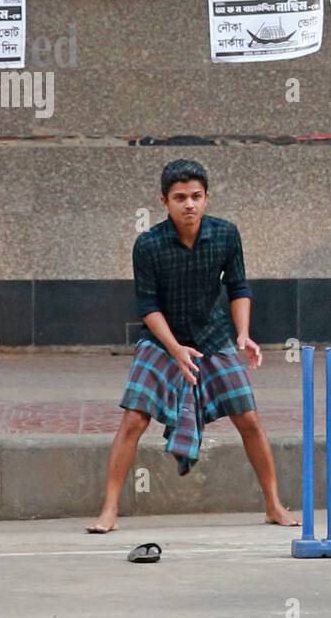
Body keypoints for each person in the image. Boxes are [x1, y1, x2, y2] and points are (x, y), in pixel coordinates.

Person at [87, 159, 297, 533]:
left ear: (207, 198)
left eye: (196, 197)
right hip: (161, 339)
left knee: (247, 416)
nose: (189, 205)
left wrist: (243, 334)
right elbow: (147, 306)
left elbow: (238, 288)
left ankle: (274, 505)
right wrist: (174, 349)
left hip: (213, 336)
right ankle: (109, 510)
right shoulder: (148, 244)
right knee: (135, 416)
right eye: (180, 197)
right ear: (164, 201)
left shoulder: (226, 235)